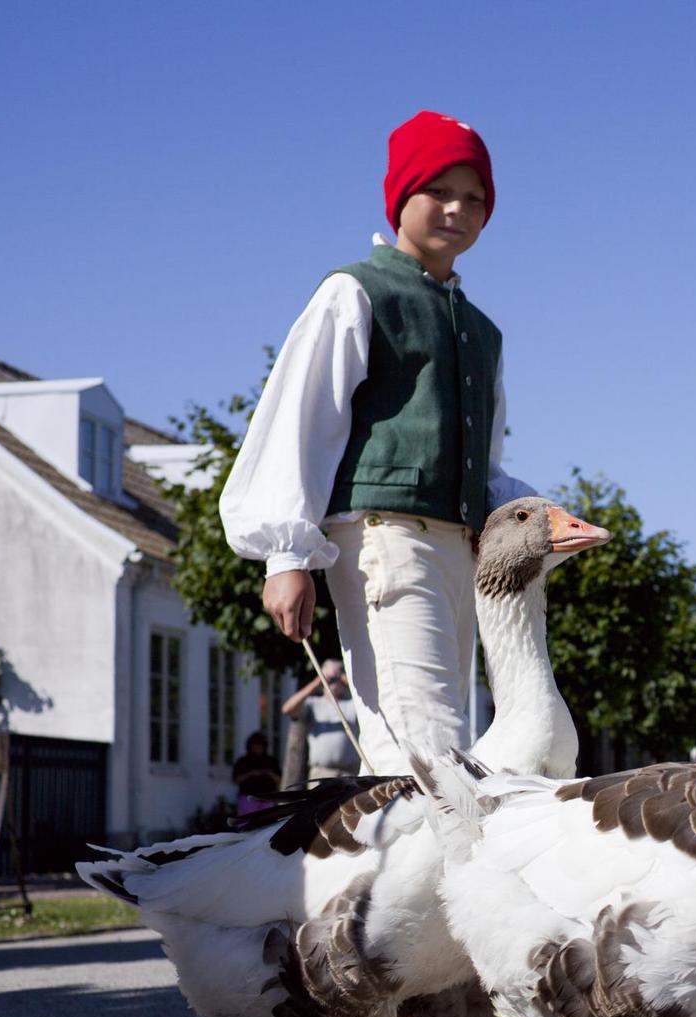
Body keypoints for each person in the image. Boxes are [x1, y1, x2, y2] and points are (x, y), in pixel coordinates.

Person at [219, 110, 535, 771]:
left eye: (475, 198)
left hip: (457, 553)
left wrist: (526, 521)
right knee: (428, 750)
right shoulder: (354, 291)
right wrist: (286, 557)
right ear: (401, 197)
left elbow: (487, 463)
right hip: (383, 541)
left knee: (429, 750)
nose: (457, 209)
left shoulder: (483, 331)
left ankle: (377, 875)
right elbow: (300, 423)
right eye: (438, 191)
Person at [282, 659, 361, 783]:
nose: (333, 683)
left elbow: (369, 700)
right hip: (321, 773)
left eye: (336, 679)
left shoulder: (352, 704)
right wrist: (318, 681)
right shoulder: (313, 704)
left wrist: (343, 678)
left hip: (349, 773)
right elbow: (287, 709)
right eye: (330, 679)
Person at [230, 732, 282, 817]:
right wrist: (250, 774)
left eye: (260, 745)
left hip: (267, 799)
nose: (258, 747)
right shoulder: (243, 761)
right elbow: (236, 779)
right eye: (255, 745)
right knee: (248, 824)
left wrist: (268, 773)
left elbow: (279, 779)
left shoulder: (271, 761)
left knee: (267, 825)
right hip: (248, 799)